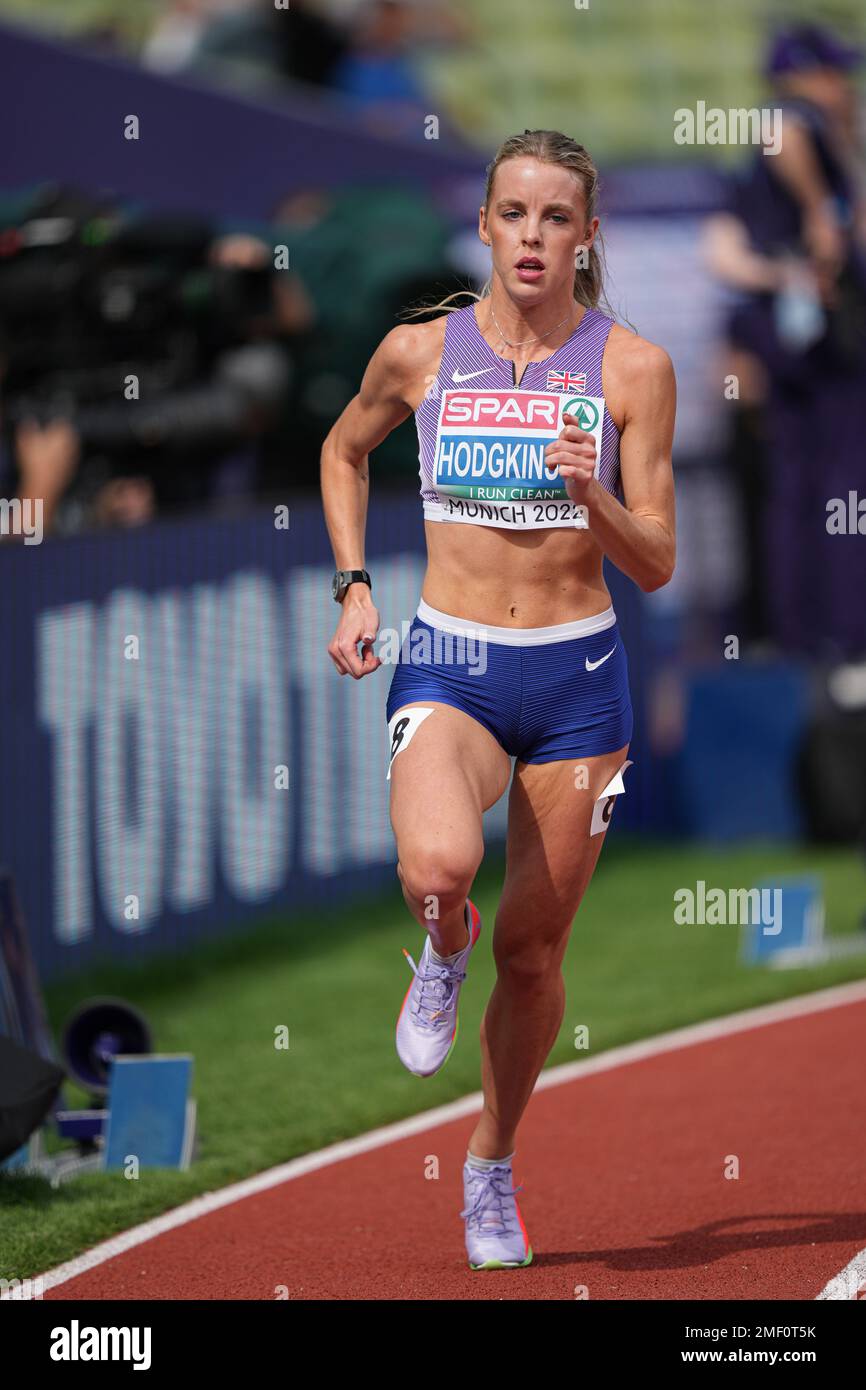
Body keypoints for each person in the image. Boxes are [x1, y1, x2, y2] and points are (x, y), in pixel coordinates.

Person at [320, 129, 676, 1270]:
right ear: (482, 226)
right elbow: (341, 452)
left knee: (532, 958)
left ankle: (488, 1162)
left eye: (554, 218)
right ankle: (437, 943)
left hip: (577, 680)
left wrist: (594, 498)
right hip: (454, 661)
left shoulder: (631, 369)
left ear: (585, 234)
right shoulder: (419, 354)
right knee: (435, 869)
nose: (531, 237)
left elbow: (659, 558)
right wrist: (354, 586)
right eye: (511, 214)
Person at [702, 22, 866, 658]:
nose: (842, 86)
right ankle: (833, 635)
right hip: (813, 345)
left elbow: (725, 252)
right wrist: (822, 207)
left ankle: (804, 632)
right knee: (830, 490)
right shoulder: (793, 128)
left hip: (794, 336)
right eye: (830, 73)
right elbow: (781, 129)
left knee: (801, 491)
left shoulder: (829, 144)